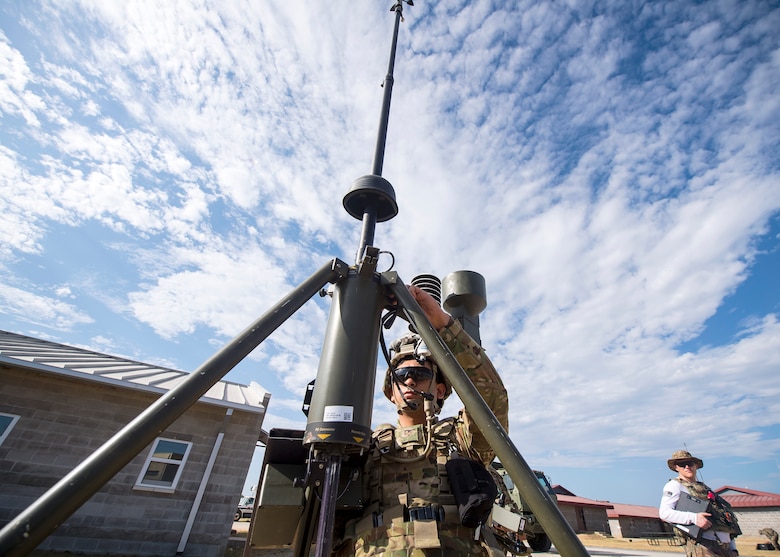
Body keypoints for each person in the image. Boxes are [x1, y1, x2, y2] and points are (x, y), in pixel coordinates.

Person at [334, 285, 509, 557]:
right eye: (400, 375)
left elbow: (492, 399)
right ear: (391, 393)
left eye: (419, 373)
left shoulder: (459, 440)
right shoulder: (364, 447)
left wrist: (442, 325)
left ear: (440, 389)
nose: (410, 380)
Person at [659, 450, 740, 557]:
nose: (687, 466)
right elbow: (665, 513)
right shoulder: (674, 486)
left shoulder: (705, 488)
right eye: (682, 464)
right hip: (703, 545)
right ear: (676, 467)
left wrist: (733, 547)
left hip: (725, 546)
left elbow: (723, 518)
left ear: (696, 465)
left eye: (690, 463)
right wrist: (694, 518)